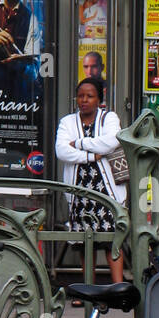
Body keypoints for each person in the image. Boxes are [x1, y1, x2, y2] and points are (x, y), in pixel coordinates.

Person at [55, 77, 126, 295]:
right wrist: (91, 156)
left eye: (90, 96)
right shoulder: (68, 122)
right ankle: (90, 294)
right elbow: (61, 151)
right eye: (81, 96)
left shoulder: (109, 118)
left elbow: (111, 142)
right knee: (86, 244)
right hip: (80, 192)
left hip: (107, 191)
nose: (84, 100)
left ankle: (117, 290)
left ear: (99, 100)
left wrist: (78, 143)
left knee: (113, 239)